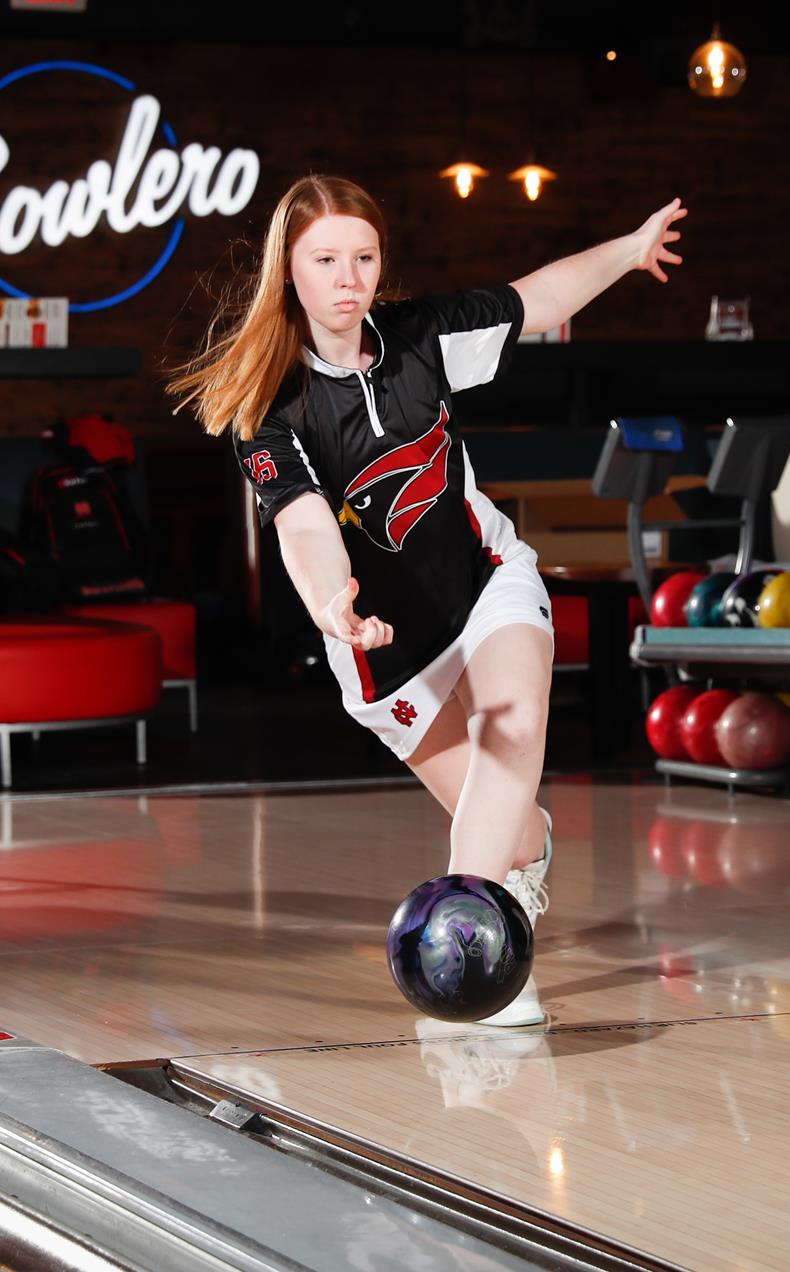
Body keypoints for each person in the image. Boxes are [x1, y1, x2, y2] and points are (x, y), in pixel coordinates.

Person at [169, 175, 686, 1026]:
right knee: (509, 825)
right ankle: (524, 855)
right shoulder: (270, 405)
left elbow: (539, 297)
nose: (349, 279)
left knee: (510, 729)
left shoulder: (422, 337)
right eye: (325, 260)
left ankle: (473, 963)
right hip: (387, 652)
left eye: (364, 257)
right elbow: (302, 525)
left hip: (486, 583)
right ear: (287, 269)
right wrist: (331, 601)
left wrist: (629, 252)